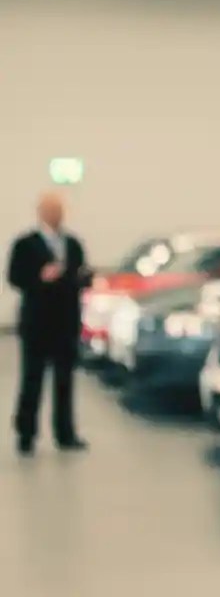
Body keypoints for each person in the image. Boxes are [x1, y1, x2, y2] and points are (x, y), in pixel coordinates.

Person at [7, 191, 91, 455]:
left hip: (66, 321)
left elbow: (81, 278)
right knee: (32, 379)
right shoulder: (25, 244)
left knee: (65, 381)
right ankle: (26, 434)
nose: (55, 215)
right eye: (50, 210)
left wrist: (80, 278)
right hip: (37, 322)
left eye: (59, 210)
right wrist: (40, 277)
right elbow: (14, 277)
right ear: (41, 213)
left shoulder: (73, 243)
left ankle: (65, 433)